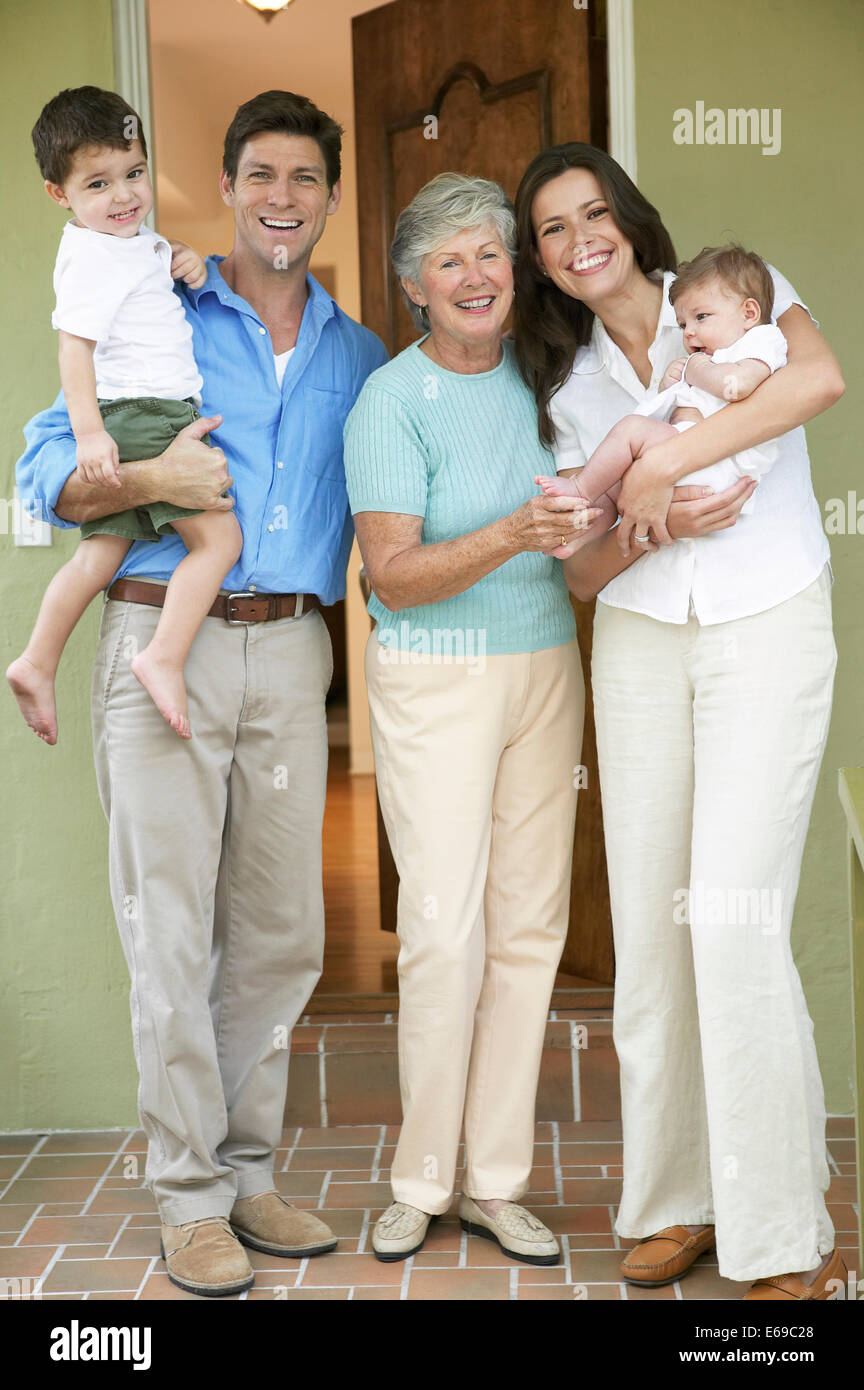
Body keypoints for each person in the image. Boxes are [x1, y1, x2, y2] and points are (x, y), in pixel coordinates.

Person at [15, 89, 387, 1298]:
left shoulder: (361, 353)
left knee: (279, 937)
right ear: (225, 187)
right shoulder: (155, 296)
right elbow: (43, 472)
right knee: (168, 929)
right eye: (260, 175)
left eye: (305, 179)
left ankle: (245, 1170)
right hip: (155, 635)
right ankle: (186, 1197)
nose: (282, 198)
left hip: (292, 651)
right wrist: (149, 475)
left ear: (330, 198)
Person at [342, 172, 747, 1267]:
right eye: (449, 261)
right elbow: (395, 572)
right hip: (434, 679)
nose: (478, 276)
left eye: (491, 253)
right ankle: (420, 1179)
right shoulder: (390, 401)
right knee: (442, 931)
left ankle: (495, 1180)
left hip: (544, 670)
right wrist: (518, 530)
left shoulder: (550, 380)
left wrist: (678, 502)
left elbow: (617, 497)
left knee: (530, 933)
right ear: (414, 286)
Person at [514, 141, 846, 1299]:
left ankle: (777, 1228)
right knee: (655, 933)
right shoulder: (562, 388)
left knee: (735, 922)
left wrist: (665, 467)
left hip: (768, 628)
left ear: (630, 219)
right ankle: (673, 1204)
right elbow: (581, 575)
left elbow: (817, 385)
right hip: (643, 645)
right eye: (552, 229)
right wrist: (654, 521)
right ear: (541, 258)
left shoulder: (736, 291)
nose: (578, 240)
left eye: (592, 213)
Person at [7, 86, 241, 743]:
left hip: (140, 410)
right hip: (143, 413)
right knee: (220, 540)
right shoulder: (88, 257)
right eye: (99, 183)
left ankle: (37, 658)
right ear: (61, 194)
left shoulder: (127, 243)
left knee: (103, 552)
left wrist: (179, 259)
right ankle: (162, 656)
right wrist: (88, 434)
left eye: (134, 174)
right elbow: (74, 349)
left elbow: (146, 271)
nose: (124, 197)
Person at [535, 244, 787, 554]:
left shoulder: (761, 340)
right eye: (683, 325)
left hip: (722, 467)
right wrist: (671, 385)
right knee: (614, 485)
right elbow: (674, 404)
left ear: (749, 313)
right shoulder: (713, 355)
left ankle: (579, 487)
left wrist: (696, 370)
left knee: (630, 431)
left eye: (701, 317)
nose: (689, 333)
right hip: (691, 456)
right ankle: (579, 532)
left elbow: (737, 386)